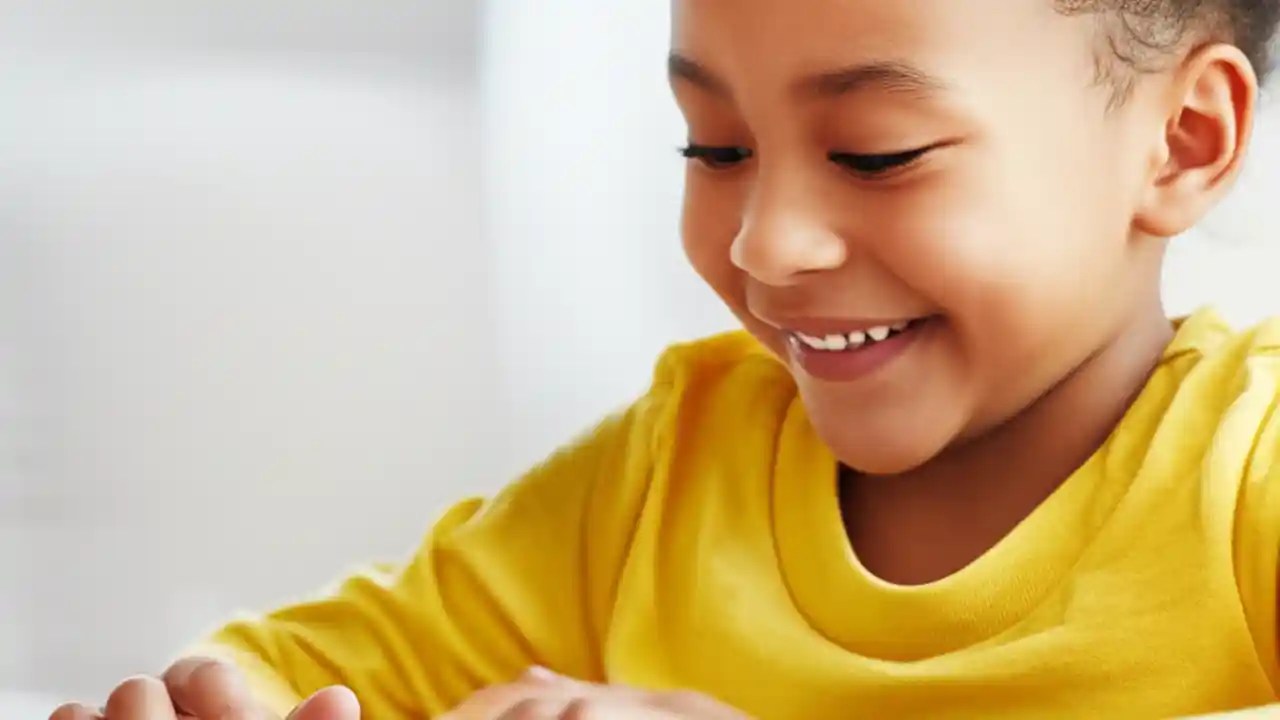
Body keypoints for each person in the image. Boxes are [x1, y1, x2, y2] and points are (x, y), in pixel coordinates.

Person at [52, 0, 1280, 717]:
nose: (764, 240)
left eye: (873, 153)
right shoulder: (656, 482)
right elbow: (299, 677)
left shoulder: (1250, 475)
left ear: (1179, 139)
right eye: (713, 147)